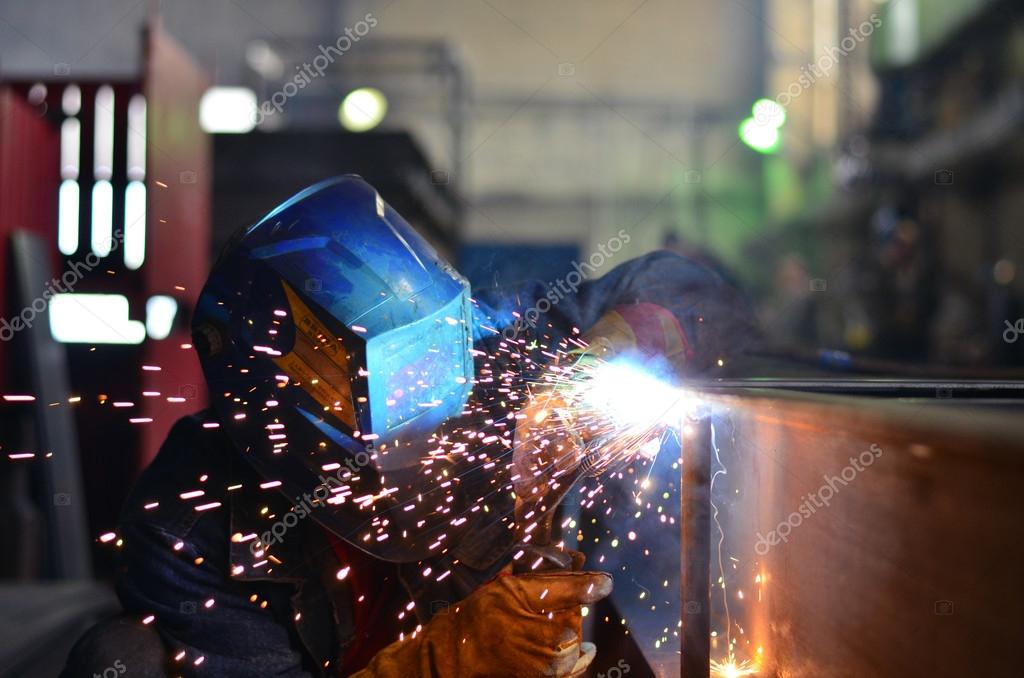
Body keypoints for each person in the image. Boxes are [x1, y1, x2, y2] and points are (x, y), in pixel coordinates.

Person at [63, 176, 750, 677]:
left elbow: (688, 288)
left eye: (440, 346)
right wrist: (443, 663)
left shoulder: (490, 357)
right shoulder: (188, 532)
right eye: (400, 374)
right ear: (302, 421)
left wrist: (615, 345)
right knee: (116, 659)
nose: (446, 396)